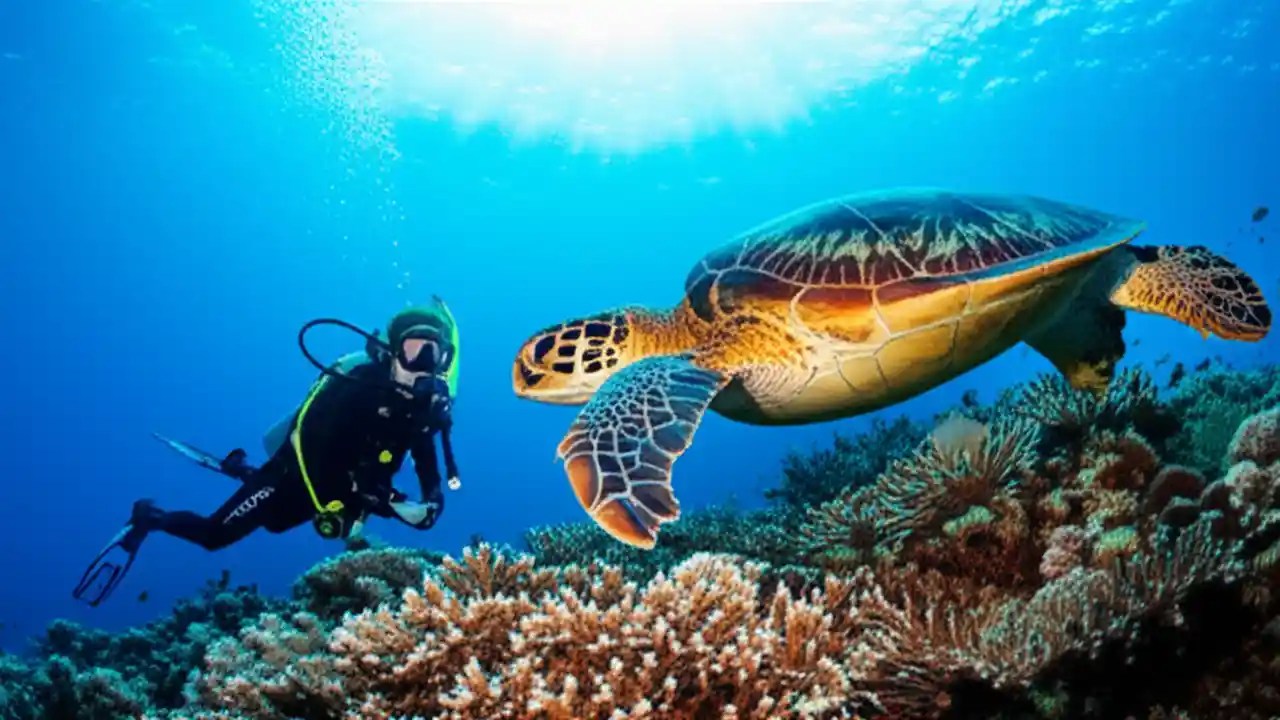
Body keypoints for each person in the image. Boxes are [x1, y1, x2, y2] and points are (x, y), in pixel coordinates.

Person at [74, 298, 463, 606]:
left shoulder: (421, 408)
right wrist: (386, 502)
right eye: (415, 351)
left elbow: (425, 450)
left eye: (435, 353)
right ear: (391, 353)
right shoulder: (356, 390)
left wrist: (431, 499)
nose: (424, 365)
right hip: (294, 477)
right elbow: (316, 455)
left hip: (346, 495)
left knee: (275, 524)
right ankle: (148, 517)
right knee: (214, 536)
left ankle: (241, 469)